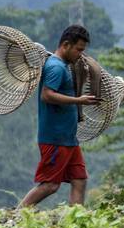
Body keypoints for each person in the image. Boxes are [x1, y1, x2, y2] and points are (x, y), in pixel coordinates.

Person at [19, 25, 97, 207]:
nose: (80, 54)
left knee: (79, 180)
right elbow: (47, 95)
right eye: (78, 49)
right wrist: (79, 100)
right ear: (66, 45)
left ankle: (75, 222)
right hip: (55, 138)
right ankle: (16, 217)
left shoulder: (63, 66)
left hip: (68, 138)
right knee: (50, 184)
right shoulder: (56, 67)